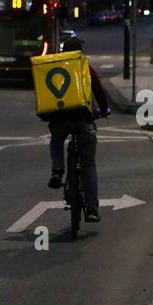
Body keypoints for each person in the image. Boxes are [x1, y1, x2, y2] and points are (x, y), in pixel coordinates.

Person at [46, 34, 111, 222]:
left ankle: (57, 171)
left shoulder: (53, 68)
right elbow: (98, 90)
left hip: (60, 119)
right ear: (80, 52)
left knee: (56, 140)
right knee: (88, 163)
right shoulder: (85, 68)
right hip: (83, 120)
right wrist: (104, 109)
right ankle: (92, 209)